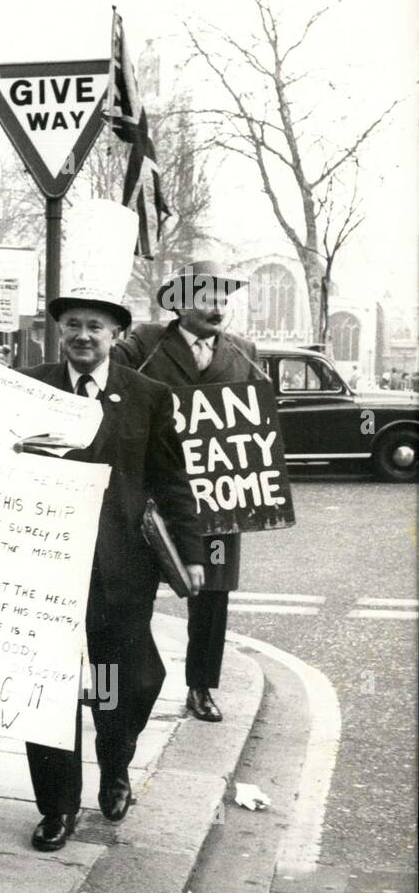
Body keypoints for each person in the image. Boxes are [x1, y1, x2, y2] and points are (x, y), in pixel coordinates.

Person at [24, 284, 204, 854]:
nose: (82, 335)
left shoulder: (148, 395)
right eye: (73, 324)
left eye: (94, 327)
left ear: (115, 335)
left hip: (119, 569)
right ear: (60, 330)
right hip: (46, 564)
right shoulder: (30, 387)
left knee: (127, 680)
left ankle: (114, 756)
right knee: (47, 686)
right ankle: (56, 807)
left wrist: (192, 553)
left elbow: (171, 481)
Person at [112, 259, 266, 723]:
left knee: (213, 596)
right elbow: (108, 380)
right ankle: (112, 685)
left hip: (217, 498)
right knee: (123, 593)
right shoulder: (144, 343)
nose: (217, 307)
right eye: (206, 296)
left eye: (223, 298)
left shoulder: (243, 350)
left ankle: (201, 687)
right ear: (178, 302)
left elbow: (259, 423)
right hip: (150, 494)